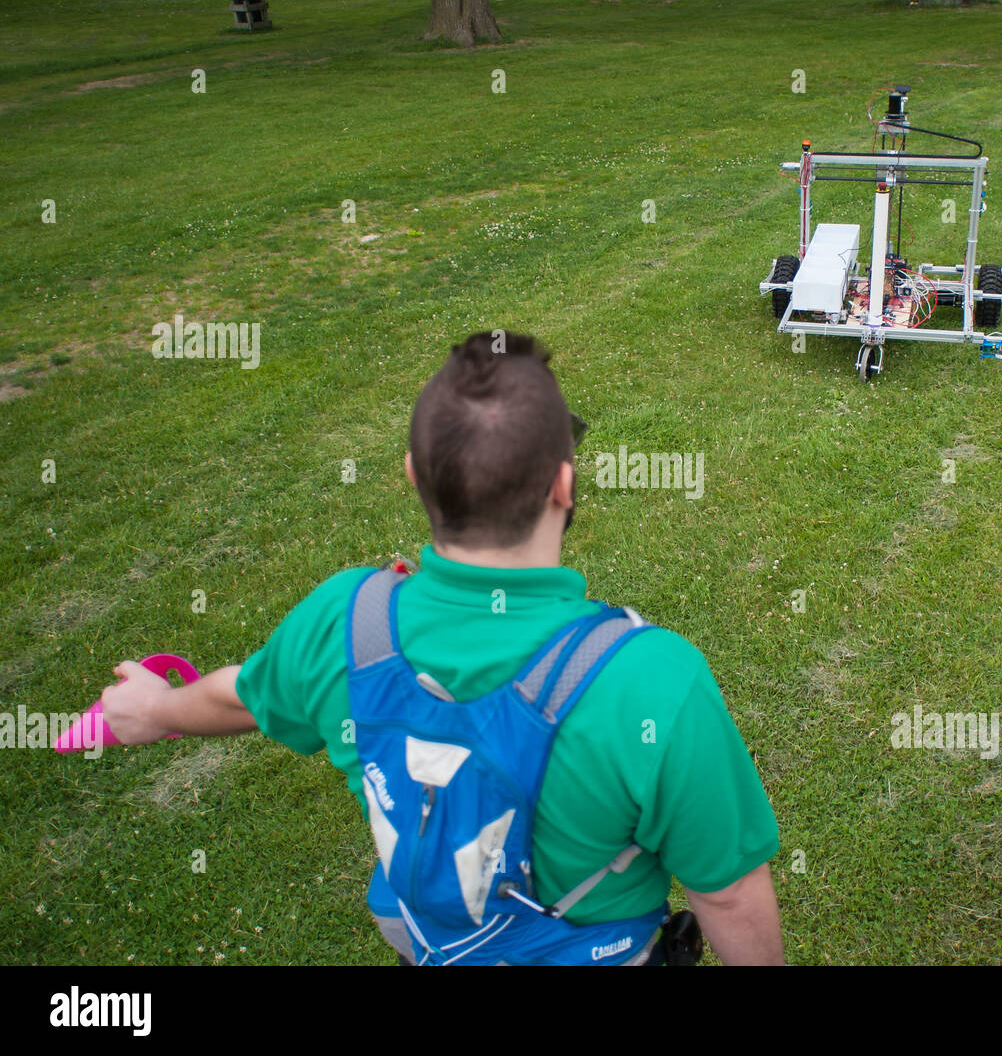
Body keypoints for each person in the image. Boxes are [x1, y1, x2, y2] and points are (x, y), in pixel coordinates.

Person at [101, 331, 784, 965]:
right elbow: (726, 894)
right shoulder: (653, 679)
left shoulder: (345, 619)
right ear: (563, 485)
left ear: (412, 473)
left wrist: (157, 708)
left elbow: (238, 694)